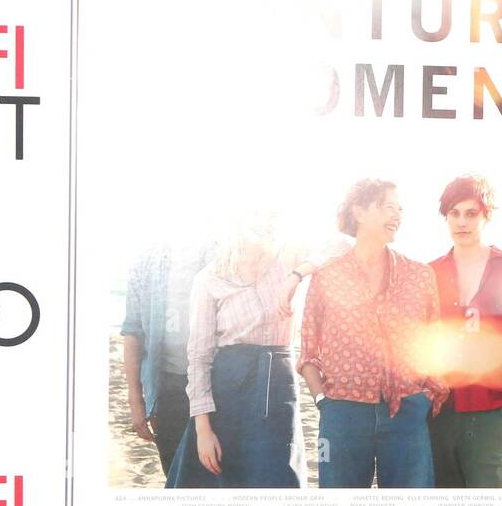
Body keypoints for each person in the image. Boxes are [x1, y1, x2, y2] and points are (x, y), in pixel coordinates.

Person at [298, 179, 448, 489]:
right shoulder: (328, 275)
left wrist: (426, 395)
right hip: (342, 413)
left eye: (400, 209)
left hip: (406, 413)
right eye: (388, 207)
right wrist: (323, 402)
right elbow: (309, 350)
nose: (397, 216)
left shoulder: (419, 276)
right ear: (359, 211)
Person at [165, 210, 322, 489]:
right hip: (227, 397)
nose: (268, 222)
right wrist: (203, 430)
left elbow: (338, 247)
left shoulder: (288, 258)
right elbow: (199, 358)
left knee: (282, 483)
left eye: (274, 216)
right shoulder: (209, 278)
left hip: (278, 392)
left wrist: (295, 276)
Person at [429, 175, 502, 488]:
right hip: (441, 414)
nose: (462, 222)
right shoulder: (432, 272)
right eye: (454, 213)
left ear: (486, 215)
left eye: (471, 213)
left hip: (493, 412)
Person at [121, 239, 214, 477]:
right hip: (167, 386)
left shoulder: (220, 251)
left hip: (217, 385)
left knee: (215, 477)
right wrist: (136, 399)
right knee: (175, 475)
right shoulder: (145, 260)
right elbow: (133, 331)